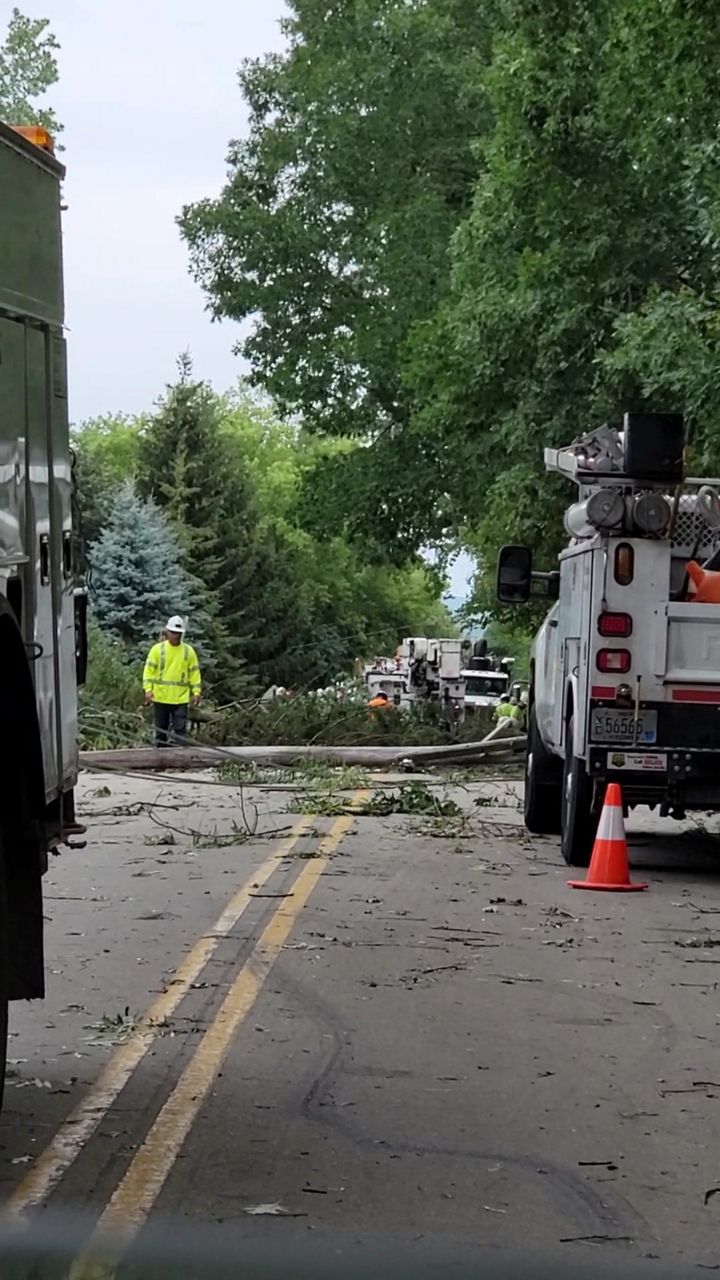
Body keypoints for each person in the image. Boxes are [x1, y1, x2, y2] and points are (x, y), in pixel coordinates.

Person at [143, 616, 201, 747]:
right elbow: (149, 671)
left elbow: (194, 672)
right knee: (160, 731)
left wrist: (196, 692)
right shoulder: (157, 650)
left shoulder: (188, 651)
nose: (176, 636)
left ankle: (180, 760)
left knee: (180, 731)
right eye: (173, 633)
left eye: (178, 633)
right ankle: (160, 761)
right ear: (167, 632)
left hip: (180, 699)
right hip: (161, 697)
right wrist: (148, 690)